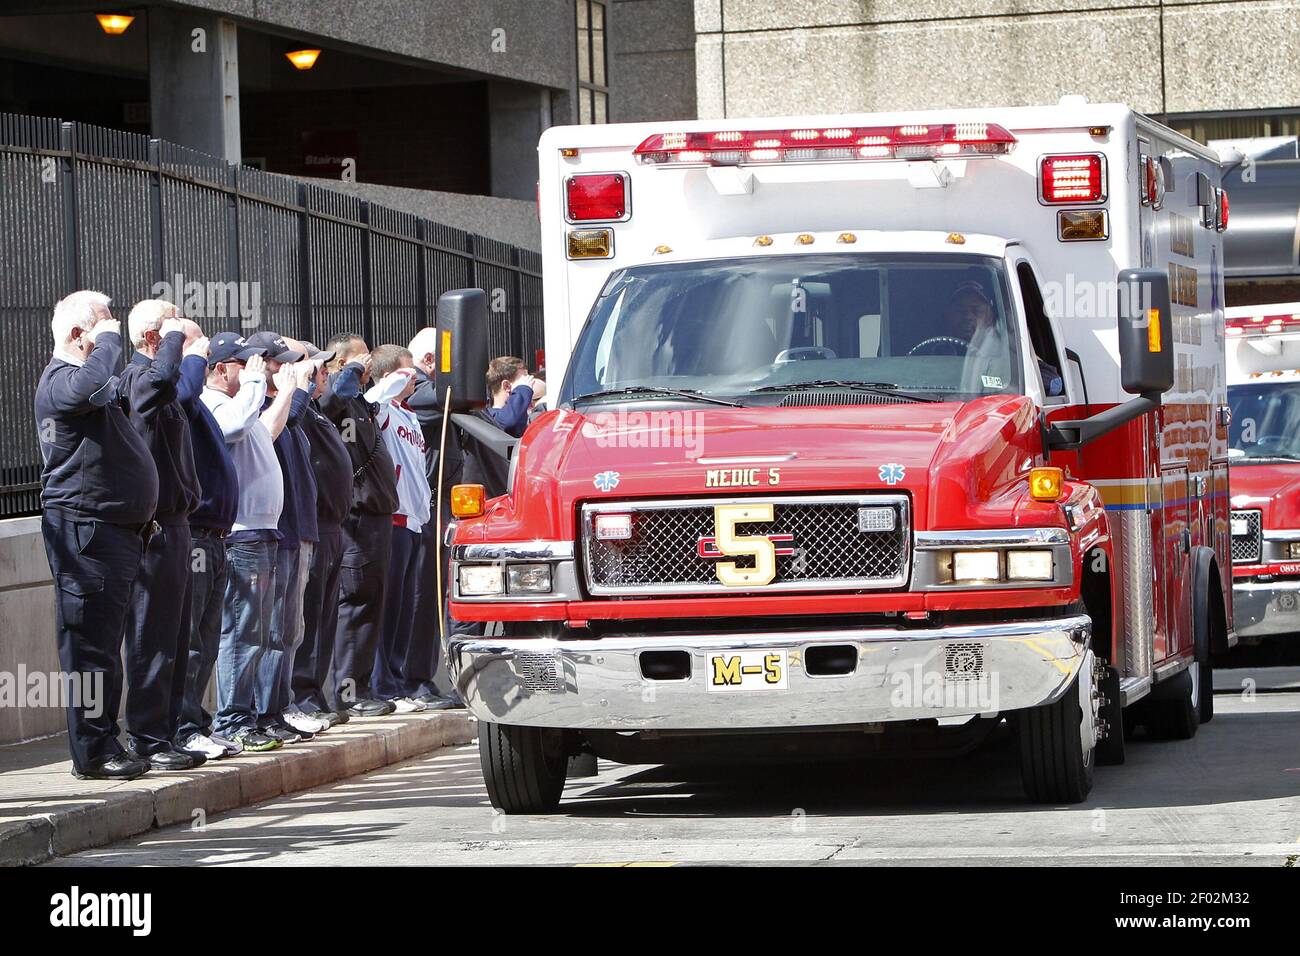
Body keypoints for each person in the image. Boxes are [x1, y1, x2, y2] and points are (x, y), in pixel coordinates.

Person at [35, 291, 158, 780]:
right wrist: (109, 340)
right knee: (90, 649)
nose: (109, 336)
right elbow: (91, 384)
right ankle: (92, 753)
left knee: (107, 648)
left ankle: (108, 740)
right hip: (85, 533)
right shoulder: (61, 381)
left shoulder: (88, 382)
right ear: (75, 335)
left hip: (115, 533)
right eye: (100, 329)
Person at [117, 300, 202, 771]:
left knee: (173, 636)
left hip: (178, 524)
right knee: (151, 637)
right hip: (156, 528)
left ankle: (165, 734)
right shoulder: (139, 379)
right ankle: (148, 736)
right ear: (153, 339)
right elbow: (161, 382)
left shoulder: (159, 384)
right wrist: (172, 337)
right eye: (172, 337)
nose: (186, 347)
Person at [201, 333, 296, 753]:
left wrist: (287, 392)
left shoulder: (246, 403)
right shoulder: (217, 404)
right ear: (221, 370)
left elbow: (266, 431)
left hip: (264, 532)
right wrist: (258, 385)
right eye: (245, 364)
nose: (255, 370)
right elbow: (234, 427)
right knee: (241, 631)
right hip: (242, 536)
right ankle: (234, 718)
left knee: (262, 631)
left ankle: (256, 713)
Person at [244, 331, 326, 741]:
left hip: (299, 530)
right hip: (275, 532)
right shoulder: (260, 405)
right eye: (282, 364)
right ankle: (265, 710)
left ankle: (282, 704)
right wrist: (291, 390)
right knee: (270, 630)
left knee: (291, 629)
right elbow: (274, 426)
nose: (292, 371)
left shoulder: (289, 406)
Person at [319, 333, 401, 717]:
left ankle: (362, 687)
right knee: (354, 606)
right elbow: (332, 399)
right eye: (361, 358)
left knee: (371, 605)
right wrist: (351, 367)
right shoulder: (334, 397)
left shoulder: (359, 401)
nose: (368, 364)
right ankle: (348, 693)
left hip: (377, 517)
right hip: (355, 519)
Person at [174, 319, 244, 761]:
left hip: (216, 537)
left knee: (208, 633)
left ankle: (195, 721)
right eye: (192, 342)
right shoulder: (185, 396)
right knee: (192, 640)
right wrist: (195, 357)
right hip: (196, 533)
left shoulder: (199, 403)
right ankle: (182, 725)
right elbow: (180, 393)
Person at [285, 339, 352, 726]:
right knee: (307, 615)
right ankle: (301, 692)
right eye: (319, 368)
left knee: (325, 616)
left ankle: (315, 690)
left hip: (332, 526)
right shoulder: (302, 408)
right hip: (313, 523)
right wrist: (301, 381)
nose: (324, 374)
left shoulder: (314, 409)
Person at [366, 345, 433, 713]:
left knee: (405, 607)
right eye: (409, 374)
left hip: (414, 521)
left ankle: (397, 678)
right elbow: (373, 398)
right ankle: (383, 686)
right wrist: (397, 376)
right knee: (388, 607)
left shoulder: (409, 417)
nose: (416, 381)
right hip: (392, 520)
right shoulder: (384, 410)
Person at [404, 328, 466, 709]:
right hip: (426, 504)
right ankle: (415, 679)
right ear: (432, 361)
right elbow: (451, 396)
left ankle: (425, 678)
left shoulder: (429, 388)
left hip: (439, 503)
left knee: (438, 593)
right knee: (424, 595)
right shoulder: (422, 390)